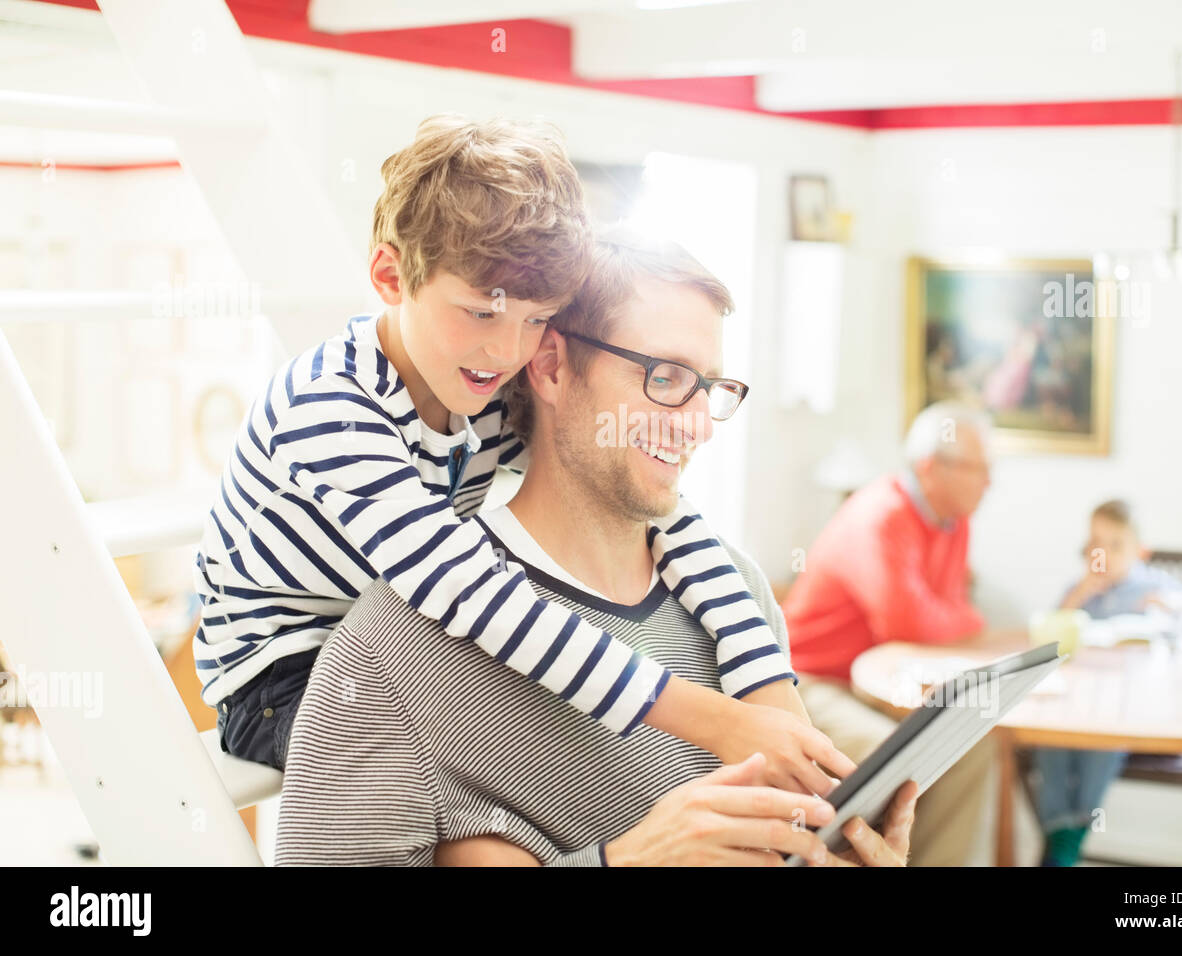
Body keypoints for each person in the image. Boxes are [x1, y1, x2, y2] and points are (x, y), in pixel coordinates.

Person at [192, 115, 845, 790]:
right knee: (486, 762)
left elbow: (661, 517)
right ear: (390, 276)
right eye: (480, 312)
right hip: (276, 679)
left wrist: (769, 690)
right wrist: (720, 724)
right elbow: (470, 593)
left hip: (387, 642)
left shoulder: (485, 385)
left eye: (535, 320)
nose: (508, 352)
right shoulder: (329, 411)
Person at [275, 231, 913, 866]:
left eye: (711, 389)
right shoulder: (392, 653)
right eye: (664, 377)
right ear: (551, 367)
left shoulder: (737, 593)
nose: (695, 426)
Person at [782, 401, 999, 866]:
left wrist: (951, 618)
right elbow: (911, 622)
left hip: (877, 685)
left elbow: (942, 620)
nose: (989, 481)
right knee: (904, 762)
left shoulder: (954, 523)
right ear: (929, 468)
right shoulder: (880, 516)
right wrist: (966, 620)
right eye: (978, 468)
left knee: (974, 745)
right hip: (811, 683)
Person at [1031, 498, 1182, 867]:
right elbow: (1048, 635)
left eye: (1115, 544)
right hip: (1078, 703)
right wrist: (1078, 595)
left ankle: (1068, 837)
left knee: (1103, 736)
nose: (1103, 554)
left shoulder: (1154, 587)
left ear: (1140, 551)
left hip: (1131, 712)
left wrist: (1179, 605)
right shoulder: (1082, 592)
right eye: (1095, 543)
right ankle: (1063, 827)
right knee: (1049, 735)